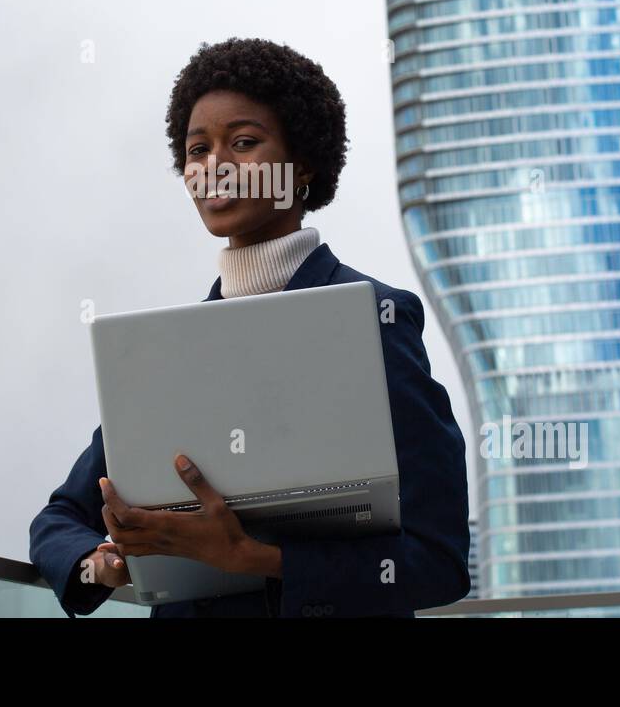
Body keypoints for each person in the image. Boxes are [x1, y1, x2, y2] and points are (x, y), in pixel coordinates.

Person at [28, 37, 471, 617]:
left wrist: (256, 557)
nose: (214, 167)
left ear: (302, 163)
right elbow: (60, 519)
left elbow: (438, 560)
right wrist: (107, 562)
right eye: (197, 150)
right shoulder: (167, 353)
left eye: (243, 143)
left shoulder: (375, 319)